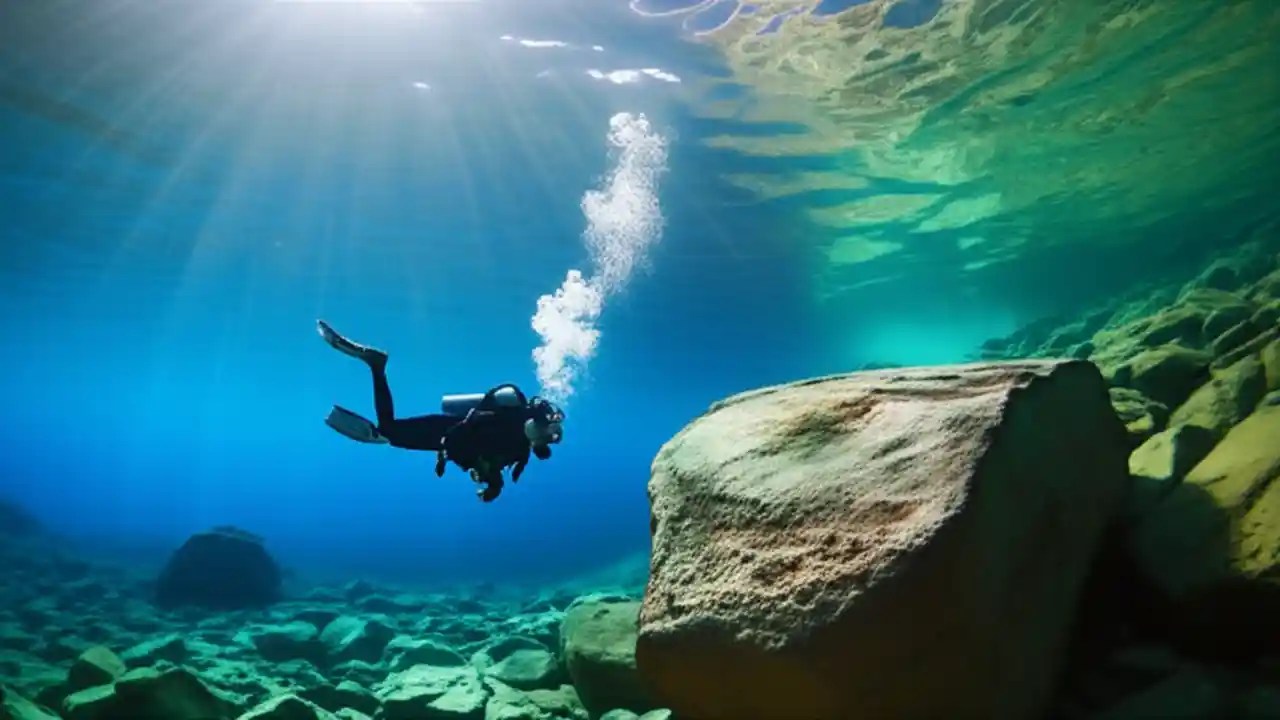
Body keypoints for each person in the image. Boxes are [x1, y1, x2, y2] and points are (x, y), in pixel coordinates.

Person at [315, 319, 563, 502]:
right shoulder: (515, 439)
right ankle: (376, 365)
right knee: (390, 431)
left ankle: (377, 370)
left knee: (392, 434)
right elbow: (475, 426)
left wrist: (490, 486)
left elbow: (487, 459)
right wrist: (450, 451)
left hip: (444, 437)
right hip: (444, 431)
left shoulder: (514, 450)